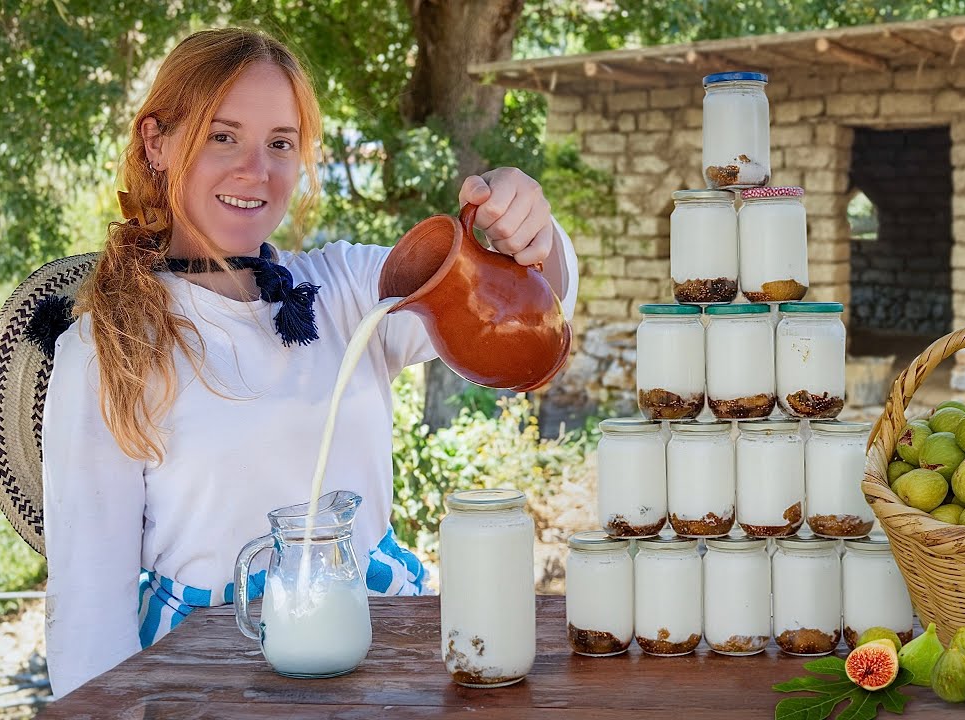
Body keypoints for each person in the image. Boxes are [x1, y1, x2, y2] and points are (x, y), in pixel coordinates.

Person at [41, 27, 577, 697]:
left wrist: (523, 227)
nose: (255, 170)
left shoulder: (348, 288)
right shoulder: (108, 346)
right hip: (208, 683)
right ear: (157, 143)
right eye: (222, 135)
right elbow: (88, 602)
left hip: (382, 661)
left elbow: (521, 313)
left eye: (280, 143)